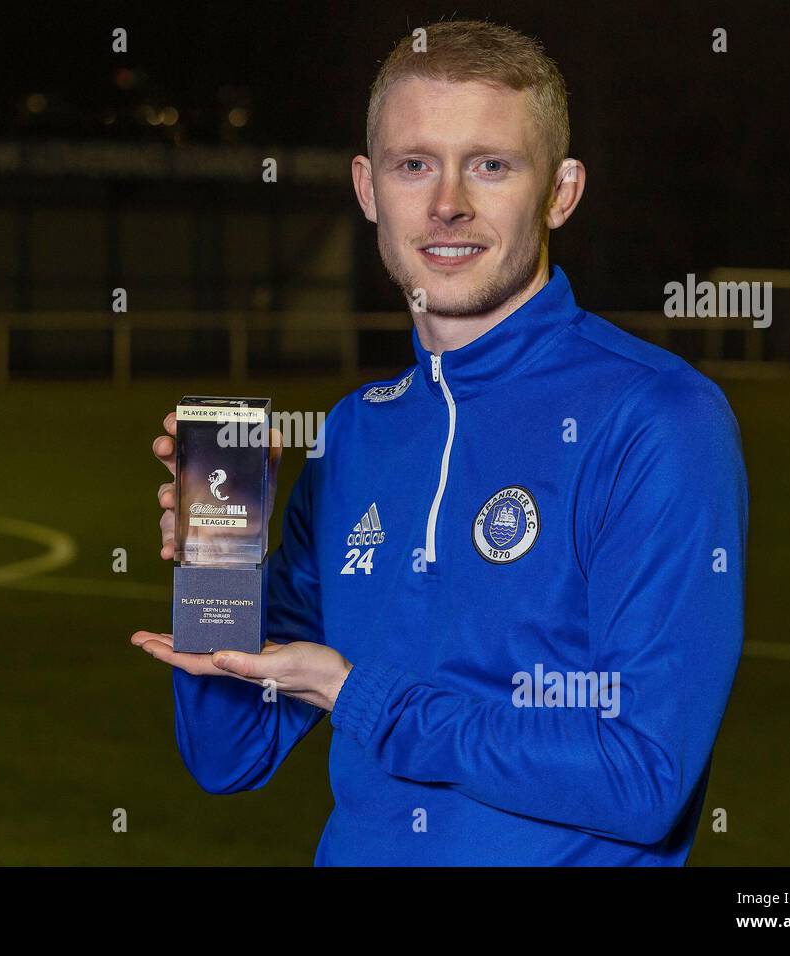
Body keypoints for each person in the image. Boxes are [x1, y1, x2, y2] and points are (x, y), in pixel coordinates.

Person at [132, 19, 749, 865]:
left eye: (491, 165)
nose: (447, 201)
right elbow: (227, 759)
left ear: (562, 192)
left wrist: (361, 698)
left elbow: (642, 778)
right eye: (414, 164)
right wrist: (219, 573)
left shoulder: (659, 418)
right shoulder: (354, 433)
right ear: (367, 188)